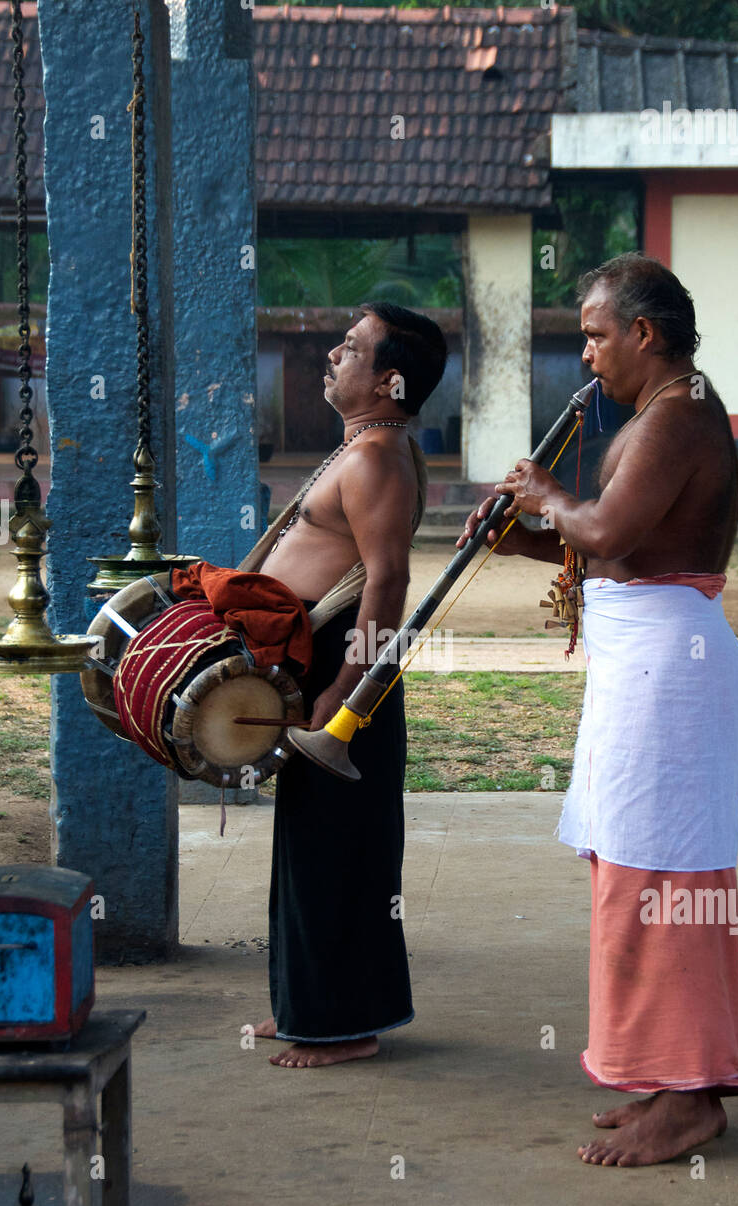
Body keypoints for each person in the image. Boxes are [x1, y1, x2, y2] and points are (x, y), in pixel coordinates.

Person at [458, 252, 738, 1165]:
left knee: (665, 880)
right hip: (648, 666)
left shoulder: (680, 416)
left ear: (643, 334)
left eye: (593, 335)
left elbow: (612, 531)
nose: (586, 357)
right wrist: (528, 542)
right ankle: (664, 1076)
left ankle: (693, 1093)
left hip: (673, 668)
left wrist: (546, 496)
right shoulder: (662, 414)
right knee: (632, 873)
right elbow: (615, 549)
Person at [239, 303, 447, 1067]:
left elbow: (388, 580)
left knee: (339, 846)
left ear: (390, 381)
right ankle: (312, 1005)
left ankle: (342, 1028)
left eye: (352, 348)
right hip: (317, 659)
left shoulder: (377, 459)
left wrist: (348, 692)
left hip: (343, 669)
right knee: (311, 840)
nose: (333, 354)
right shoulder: (362, 449)